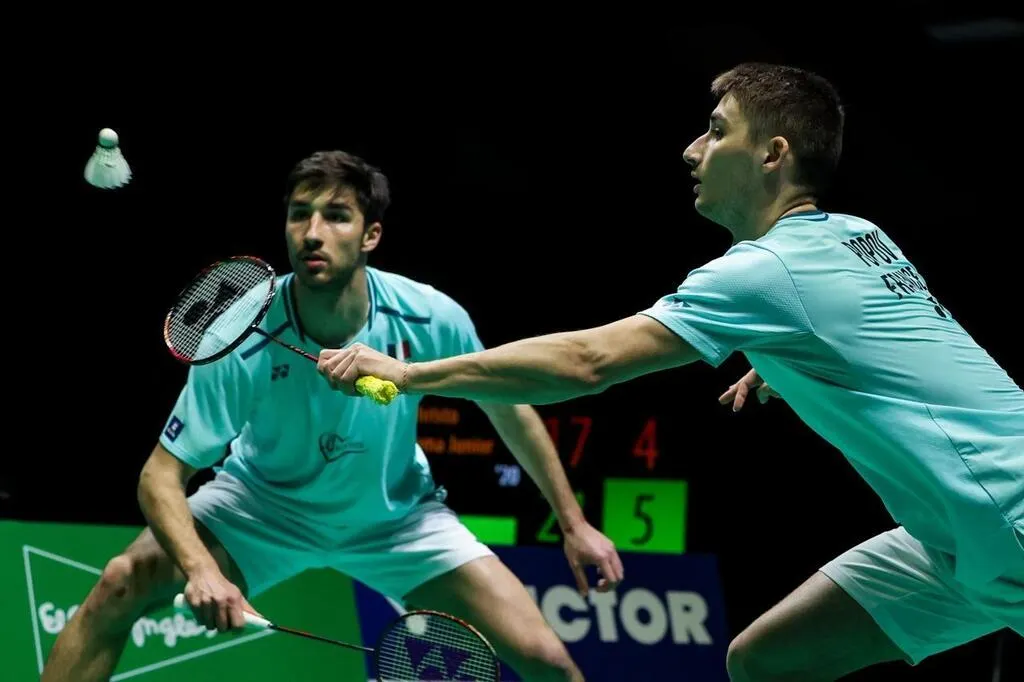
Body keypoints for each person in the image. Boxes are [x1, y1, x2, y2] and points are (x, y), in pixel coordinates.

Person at [317, 63, 1024, 680]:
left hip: (1011, 512)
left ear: (773, 153)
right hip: (952, 540)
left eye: (717, 131)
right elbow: (898, 343)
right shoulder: (857, 233)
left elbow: (587, 363)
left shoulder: (763, 273)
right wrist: (781, 364)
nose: (692, 150)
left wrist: (412, 376)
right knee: (768, 661)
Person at [42, 150, 625, 682]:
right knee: (119, 584)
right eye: (300, 215)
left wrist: (572, 523)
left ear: (371, 234)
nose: (312, 233)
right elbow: (160, 475)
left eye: (336, 216)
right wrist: (200, 569)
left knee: (551, 665)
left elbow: (507, 406)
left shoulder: (428, 317)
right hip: (260, 508)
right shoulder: (241, 331)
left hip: (396, 518)